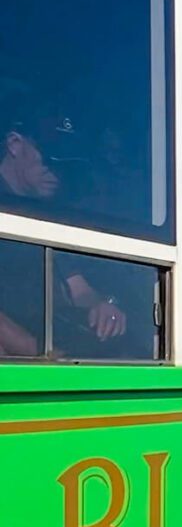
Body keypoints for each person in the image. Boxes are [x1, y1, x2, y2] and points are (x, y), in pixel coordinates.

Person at [0, 102, 128, 353]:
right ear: (14, 143)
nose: (56, 172)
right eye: (49, 158)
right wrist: (34, 351)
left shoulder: (51, 212)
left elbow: (78, 288)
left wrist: (103, 304)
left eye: (65, 162)